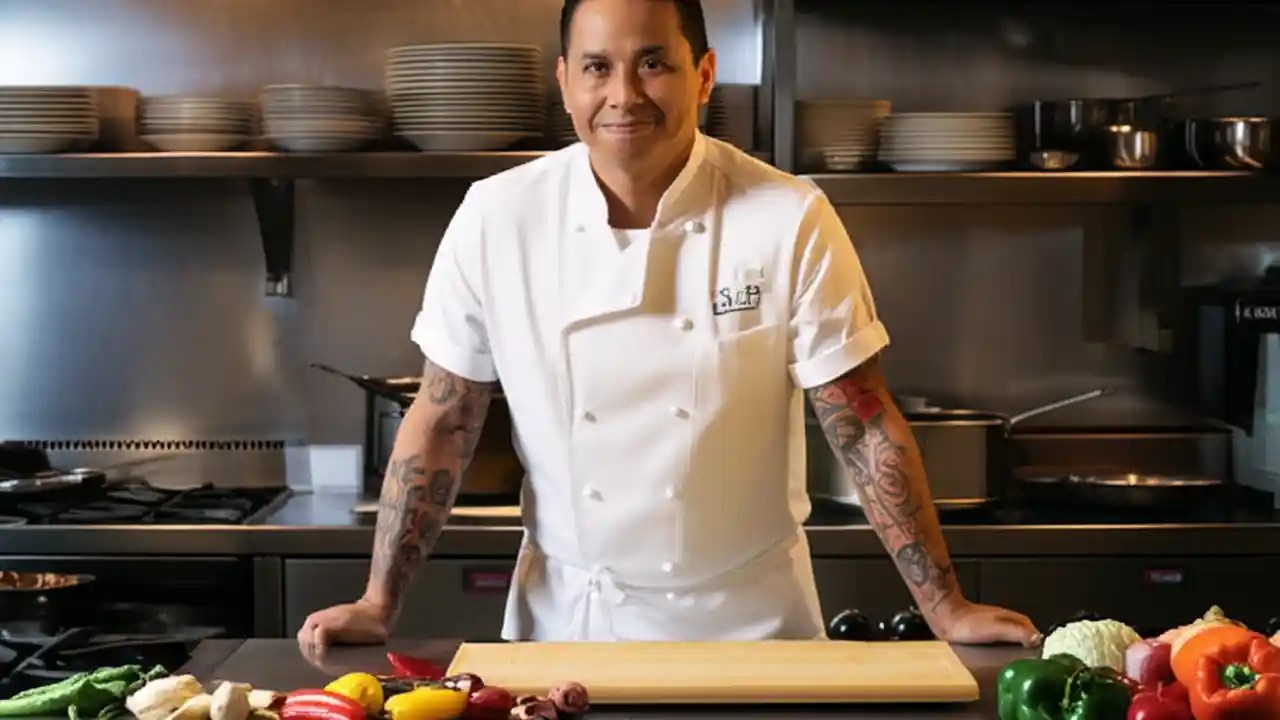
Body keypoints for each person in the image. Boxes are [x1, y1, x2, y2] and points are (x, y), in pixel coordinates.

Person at [298, 0, 1041, 649]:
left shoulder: (787, 217)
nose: (623, 95)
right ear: (564, 82)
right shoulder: (498, 217)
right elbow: (443, 420)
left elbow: (863, 420)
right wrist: (378, 602)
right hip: (567, 629)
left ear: (704, 75)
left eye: (652, 63)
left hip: (752, 630)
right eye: (597, 67)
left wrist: (945, 606)